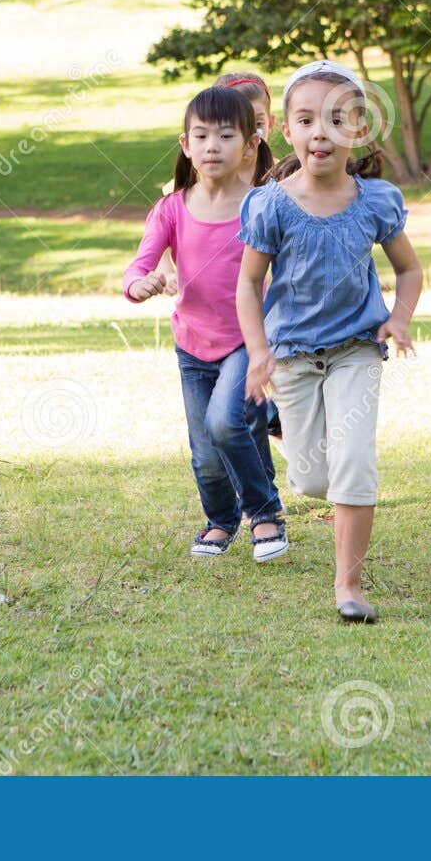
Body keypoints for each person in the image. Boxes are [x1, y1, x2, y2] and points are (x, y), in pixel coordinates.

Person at [237, 60, 422, 623]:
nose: (321, 132)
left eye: (337, 119)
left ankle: (349, 585)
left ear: (359, 129)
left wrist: (399, 317)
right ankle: (299, 453)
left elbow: (409, 269)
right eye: (307, 120)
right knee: (312, 477)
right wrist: (258, 352)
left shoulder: (375, 201)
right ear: (286, 130)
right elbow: (247, 284)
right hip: (293, 357)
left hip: (356, 349)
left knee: (354, 464)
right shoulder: (271, 205)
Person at [124, 86, 285, 560]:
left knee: (224, 422)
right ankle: (220, 520)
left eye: (226, 135)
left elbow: (289, 269)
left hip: (246, 341)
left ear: (250, 145)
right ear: (186, 144)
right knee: (206, 452)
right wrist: (140, 284)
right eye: (202, 136)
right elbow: (139, 266)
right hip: (192, 343)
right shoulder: (171, 208)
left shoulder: (262, 205)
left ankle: (265, 513)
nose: (212, 146)